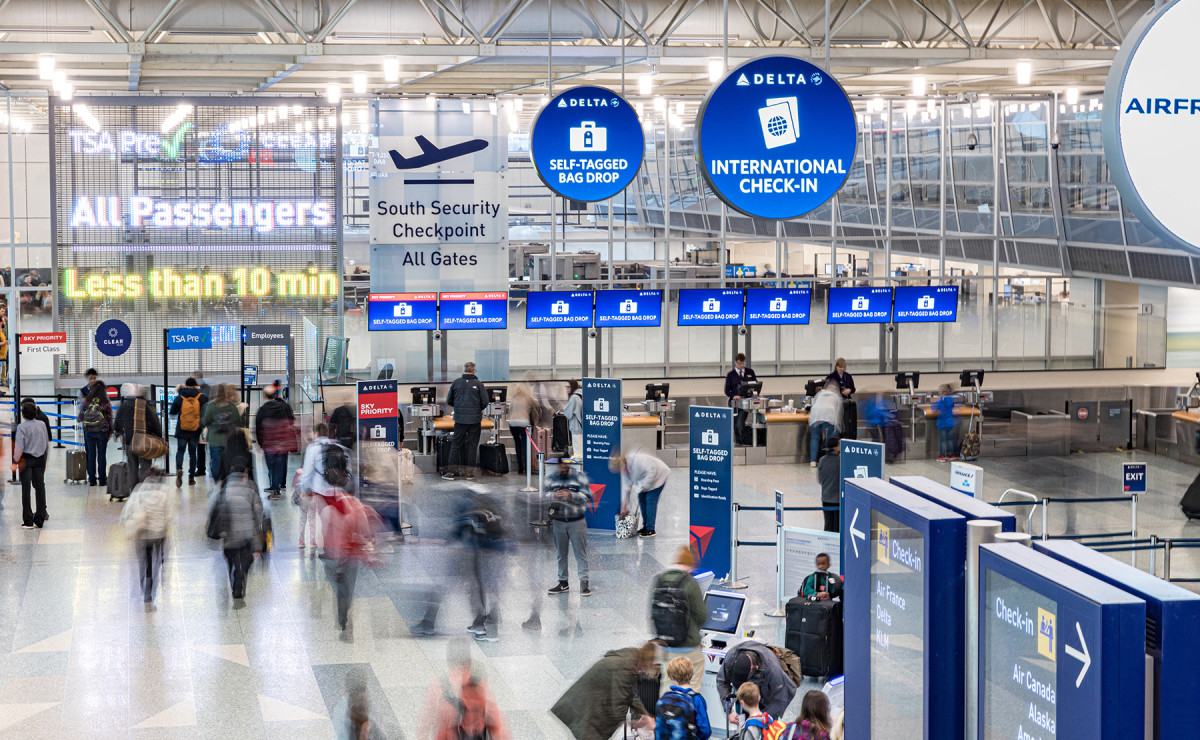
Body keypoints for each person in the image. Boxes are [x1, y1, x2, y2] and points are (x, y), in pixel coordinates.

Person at [551, 641, 659, 740]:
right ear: (648, 662)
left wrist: (643, 715)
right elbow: (618, 707)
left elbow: (631, 694)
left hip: (589, 706)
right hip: (585, 711)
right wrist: (635, 722)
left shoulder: (632, 660)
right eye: (655, 666)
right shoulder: (625, 667)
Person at [320, 465, 377, 635]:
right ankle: (344, 613)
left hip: (331, 555)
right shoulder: (357, 506)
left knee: (338, 587)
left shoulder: (328, 508)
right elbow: (366, 530)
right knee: (348, 588)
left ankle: (341, 611)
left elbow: (323, 532)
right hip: (350, 555)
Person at [419, 640, 510, 739]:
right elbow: (498, 727)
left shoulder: (437, 687)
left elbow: (423, 726)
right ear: (469, 661)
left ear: (449, 661)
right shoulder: (482, 686)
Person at [650, 546, 707, 691]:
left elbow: (652, 613)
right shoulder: (690, 582)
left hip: (667, 643)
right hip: (688, 645)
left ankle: (665, 711)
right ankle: (689, 709)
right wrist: (695, 631)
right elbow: (701, 614)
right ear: (691, 565)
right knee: (694, 680)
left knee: (667, 682)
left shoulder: (659, 580)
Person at [454, 487, 507, 642]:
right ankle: (492, 622)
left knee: (477, 588)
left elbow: (458, 531)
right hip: (499, 550)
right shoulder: (491, 505)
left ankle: (481, 627)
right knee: (492, 587)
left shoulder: (468, 508)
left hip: (484, 551)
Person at [208, 461, 263, 603]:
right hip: (246, 535)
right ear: (244, 475)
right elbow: (258, 518)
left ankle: (234, 579)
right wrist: (258, 544)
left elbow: (215, 514)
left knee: (231, 560)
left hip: (229, 536)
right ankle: (239, 583)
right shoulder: (250, 491)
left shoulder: (223, 491)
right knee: (244, 563)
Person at [120, 468, 173, 609]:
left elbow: (127, 512)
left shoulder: (138, 491)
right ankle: (150, 593)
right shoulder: (163, 493)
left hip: (142, 535)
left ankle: (145, 587)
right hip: (157, 535)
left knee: (144, 562)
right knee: (154, 564)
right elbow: (169, 516)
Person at [717, 640, 797, 723]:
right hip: (748, 696)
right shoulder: (732, 657)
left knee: (765, 730)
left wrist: (763, 719)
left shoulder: (772, 667)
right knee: (744, 724)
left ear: (754, 667)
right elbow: (722, 681)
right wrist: (728, 711)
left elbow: (781, 697)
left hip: (768, 697)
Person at [545, 458, 593, 596]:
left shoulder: (580, 477)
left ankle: (584, 583)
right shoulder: (551, 477)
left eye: (564, 466)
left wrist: (570, 495)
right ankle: (563, 582)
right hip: (558, 521)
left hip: (576, 521)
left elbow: (587, 495)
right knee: (561, 554)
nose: (561, 469)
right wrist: (554, 495)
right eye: (559, 466)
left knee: (580, 553)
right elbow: (544, 495)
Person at [443, 361, 490, 481]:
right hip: (474, 420)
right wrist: (476, 409)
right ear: (474, 370)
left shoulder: (456, 383)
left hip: (460, 420)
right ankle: (469, 474)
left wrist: (459, 408)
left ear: (464, 370)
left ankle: (450, 473)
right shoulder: (479, 384)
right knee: (472, 446)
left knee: (456, 444)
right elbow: (485, 402)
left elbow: (449, 400)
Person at [298, 423, 340, 550]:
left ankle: (329, 549)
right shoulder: (336, 445)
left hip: (320, 490)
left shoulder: (313, 448)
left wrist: (304, 489)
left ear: (316, 434)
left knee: (324, 519)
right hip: (336, 489)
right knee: (334, 519)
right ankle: (337, 545)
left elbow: (307, 472)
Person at [613, 447, 670, 538]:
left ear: (621, 466)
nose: (619, 473)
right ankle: (645, 526)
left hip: (659, 475)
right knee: (641, 499)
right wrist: (624, 505)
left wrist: (646, 485)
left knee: (650, 500)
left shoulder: (637, 460)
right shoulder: (625, 471)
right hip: (646, 480)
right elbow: (626, 488)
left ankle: (651, 529)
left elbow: (653, 469)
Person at [114, 383, 163, 484]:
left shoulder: (124, 406)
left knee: (132, 469)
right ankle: (143, 489)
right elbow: (154, 422)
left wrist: (119, 433)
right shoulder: (144, 405)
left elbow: (117, 423)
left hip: (129, 442)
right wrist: (159, 436)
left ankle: (133, 492)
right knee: (145, 467)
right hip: (144, 441)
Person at [656, 655, 711, 740]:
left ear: (672, 677)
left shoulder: (664, 698)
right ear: (691, 674)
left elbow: (659, 728)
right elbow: (705, 730)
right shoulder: (696, 699)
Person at [13, 401, 49, 529]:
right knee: (40, 488)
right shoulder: (42, 424)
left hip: (26, 460)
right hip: (40, 459)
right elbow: (46, 442)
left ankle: (28, 520)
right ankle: (40, 518)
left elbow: (19, 447)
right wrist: (45, 457)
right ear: (35, 411)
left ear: (23, 414)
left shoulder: (22, 427)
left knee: (26, 490)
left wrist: (15, 460)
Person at [255, 385, 296, 498]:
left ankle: (275, 488)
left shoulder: (263, 410)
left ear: (264, 396)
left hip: (269, 443)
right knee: (281, 463)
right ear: (275, 395)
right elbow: (291, 420)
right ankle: (281, 484)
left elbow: (258, 427)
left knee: (271, 465)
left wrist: (260, 443)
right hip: (283, 441)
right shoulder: (284, 407)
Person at [169, 378, 207, 487]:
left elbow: (172, 412)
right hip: (195, 430)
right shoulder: (201, 397)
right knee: (192, 453)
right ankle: (191, 477)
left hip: (182, 429)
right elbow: (205, 411)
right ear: (196, 386)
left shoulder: (180, 396)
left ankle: (179, 469)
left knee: (180, 451)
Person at [201, 383, 242, 481]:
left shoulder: (210, 406)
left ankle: (217, 482)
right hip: (229, 439)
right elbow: (237, 420)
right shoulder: (231, 406)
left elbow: (205, 421)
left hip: (214, 439)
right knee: (228, 461)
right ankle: (227, 482)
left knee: (216, 462)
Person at [78, 380, 113, 488]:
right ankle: (102, 479)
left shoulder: (86, 401)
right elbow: (110, 418)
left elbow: (80, 418)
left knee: (91, 455)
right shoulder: (106, 402)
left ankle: (92, 479)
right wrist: (110, 432)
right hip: (103, 431)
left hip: (89, 432)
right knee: (101, 455)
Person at [725, 353, 758, 445]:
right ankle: (738, 441)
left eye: (743, 363)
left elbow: (755, 385)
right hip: (734, 402)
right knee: (735, 423)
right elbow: (727, 391)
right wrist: (733, 396)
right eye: (740, 363)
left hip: (745, 402)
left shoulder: (750, 372)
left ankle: (741, 441)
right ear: (735, 363)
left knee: (740, 423)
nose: (742, 365)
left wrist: (752, 393)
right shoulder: (731, 375)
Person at [807, 382, 842, 468]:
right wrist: (838, 425)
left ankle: (813, 461)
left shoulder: (819, 394)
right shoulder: (836, 396)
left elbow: (813, 405)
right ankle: (828, 457)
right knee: (830, 437)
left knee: (814, 437)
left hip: (816, 415)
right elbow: (838, 411)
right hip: (829, 416)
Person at [508, 383, 536, 475]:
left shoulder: (514, 398)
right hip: (524, 423)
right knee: (526, 445)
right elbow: (536, 407)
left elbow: (510, 410)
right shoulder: (528, 397)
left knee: (517, 445)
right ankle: (528, 468)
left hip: (513, 423)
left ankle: (520, 467)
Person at [826, 358, 857, 440]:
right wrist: (839, 392)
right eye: (840, 367)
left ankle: (847, 438)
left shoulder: (848, 376)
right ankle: (836, 440)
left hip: (846, 403)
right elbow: (826, 388)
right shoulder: (831, 377)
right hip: (835, 403)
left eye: (843, 367)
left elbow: (853, 388)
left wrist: (849, 390)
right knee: (837, 423)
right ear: (836, 367)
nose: (842, 369)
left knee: (846, 422)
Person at [816, 439, 840, 532]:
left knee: (828, 524)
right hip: (838, 500)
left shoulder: (822, 460)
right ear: (836, 447)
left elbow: (819, 480)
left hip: (826, 498)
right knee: (837, 526)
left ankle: (827, 544)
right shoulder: (841, 461)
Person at [933, 383, 959, 462]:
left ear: (941, 391)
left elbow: (934, 409)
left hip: (942, 423)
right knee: (950, 440)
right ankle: (951, 455)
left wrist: (934, 403)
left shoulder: (940, 400)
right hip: (950, 423)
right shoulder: (950, 400)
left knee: (943, 441)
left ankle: (942, 456)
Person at [563, 379, 583, 460]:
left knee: (578, 453)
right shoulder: (581, 395)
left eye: (568, 387)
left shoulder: (574, 397)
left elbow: (568, 413)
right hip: (583, 427)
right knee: (582, 451)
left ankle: (579, 471)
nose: (567, 389)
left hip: (576, 427)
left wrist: (564, 409)